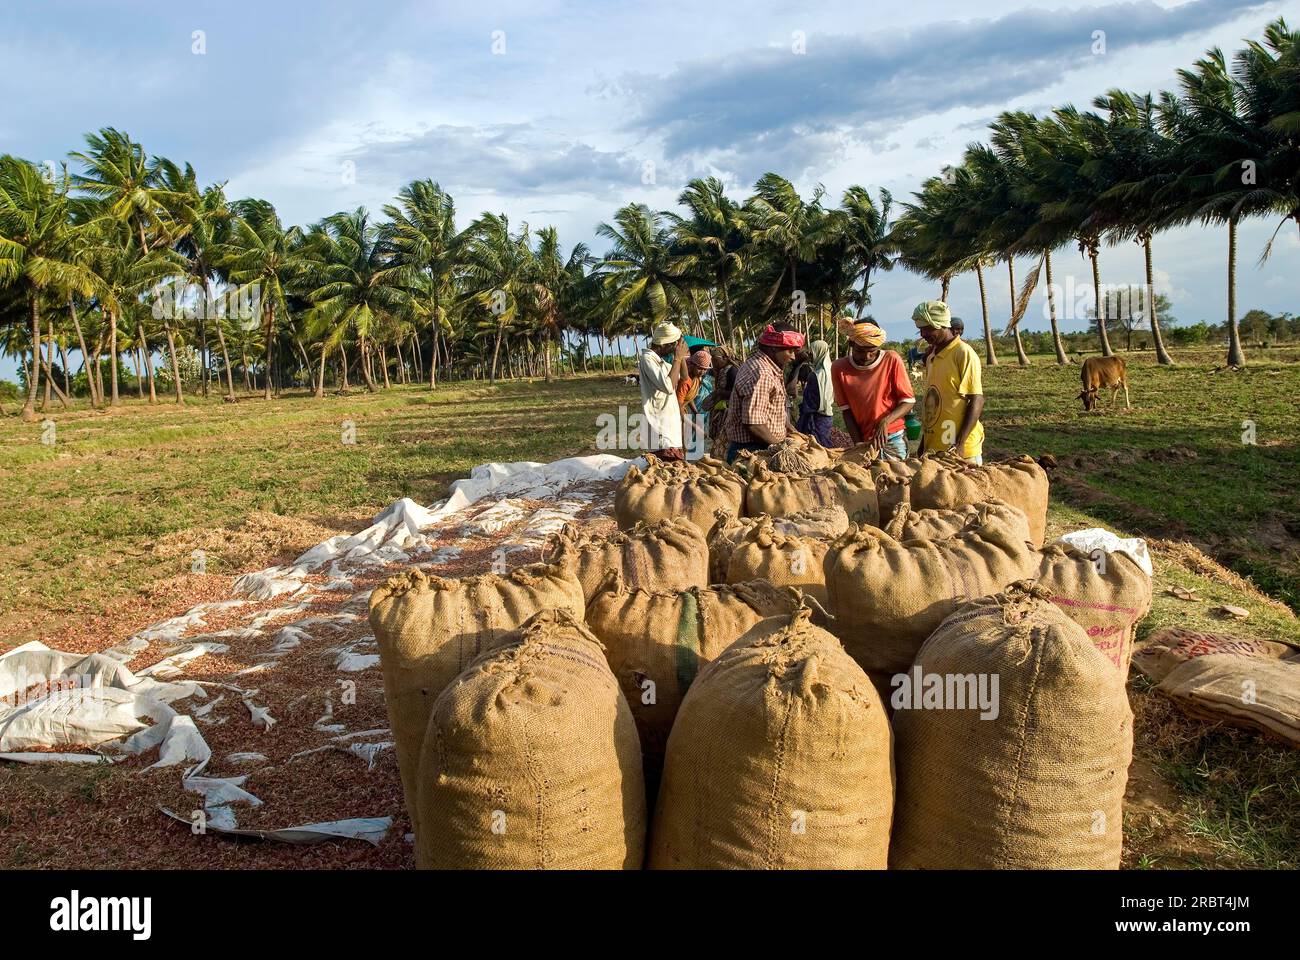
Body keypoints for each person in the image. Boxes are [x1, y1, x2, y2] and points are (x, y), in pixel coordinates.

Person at [831, 317, 915, 460]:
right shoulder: (839, 368)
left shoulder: (891, 359)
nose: (867, 356)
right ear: (851, 343)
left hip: (892, 438)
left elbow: (908, 401)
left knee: (897, 479)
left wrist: (885, 422)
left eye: (872, 351)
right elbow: (847, 411)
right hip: (864, 440)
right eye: (860, 351)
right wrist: (859, 444)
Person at [913, 300, 985, 464]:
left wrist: (959, 445)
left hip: (959, 452)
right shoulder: (932, 356)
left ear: (941, 324)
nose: (923, 334)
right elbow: (935, 402)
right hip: (934, 450)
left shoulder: (963, 353)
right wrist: (924, 443)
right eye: (920, 330)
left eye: (927, 329)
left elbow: (977, 399)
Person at [721, 324, 805, 463]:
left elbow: (770, 409)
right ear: (773, 347)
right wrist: (782, 450)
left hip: (761, 447)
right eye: (790, 351)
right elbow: (754, 424)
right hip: (752, 452)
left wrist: (791, 430)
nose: (793, 357)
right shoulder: (762, 372)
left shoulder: (766, 367)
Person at [639, 321, 689, 460]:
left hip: (670, 432)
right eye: (673, 344)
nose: (675, 347)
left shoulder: (661, 363)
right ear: (663, 344)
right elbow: (668, 386)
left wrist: (681, 356)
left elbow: (684, 377)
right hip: (661, 432)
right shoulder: (647, 359)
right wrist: (677, 358)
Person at [796, 339, 835, 447]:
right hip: (827, 416)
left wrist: (804, 411)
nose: (810, 356)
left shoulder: (816, 375)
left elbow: (812, 400)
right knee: (824, 445)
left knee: (815, 447)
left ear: (818, 352)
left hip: (815, 417)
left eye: (811, 353)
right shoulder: (831, 371)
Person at [677, 348, 712, 459]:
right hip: (676, 414)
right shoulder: (684, 381)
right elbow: (678, 409)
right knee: (681, 445)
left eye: (705, 369)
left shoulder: (695, 377)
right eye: (700, 368)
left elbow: (689, 396)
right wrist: (695, 427)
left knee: (687, 444)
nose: (702, 372)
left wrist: (695, 412)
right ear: (692, 365)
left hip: (682, 410)